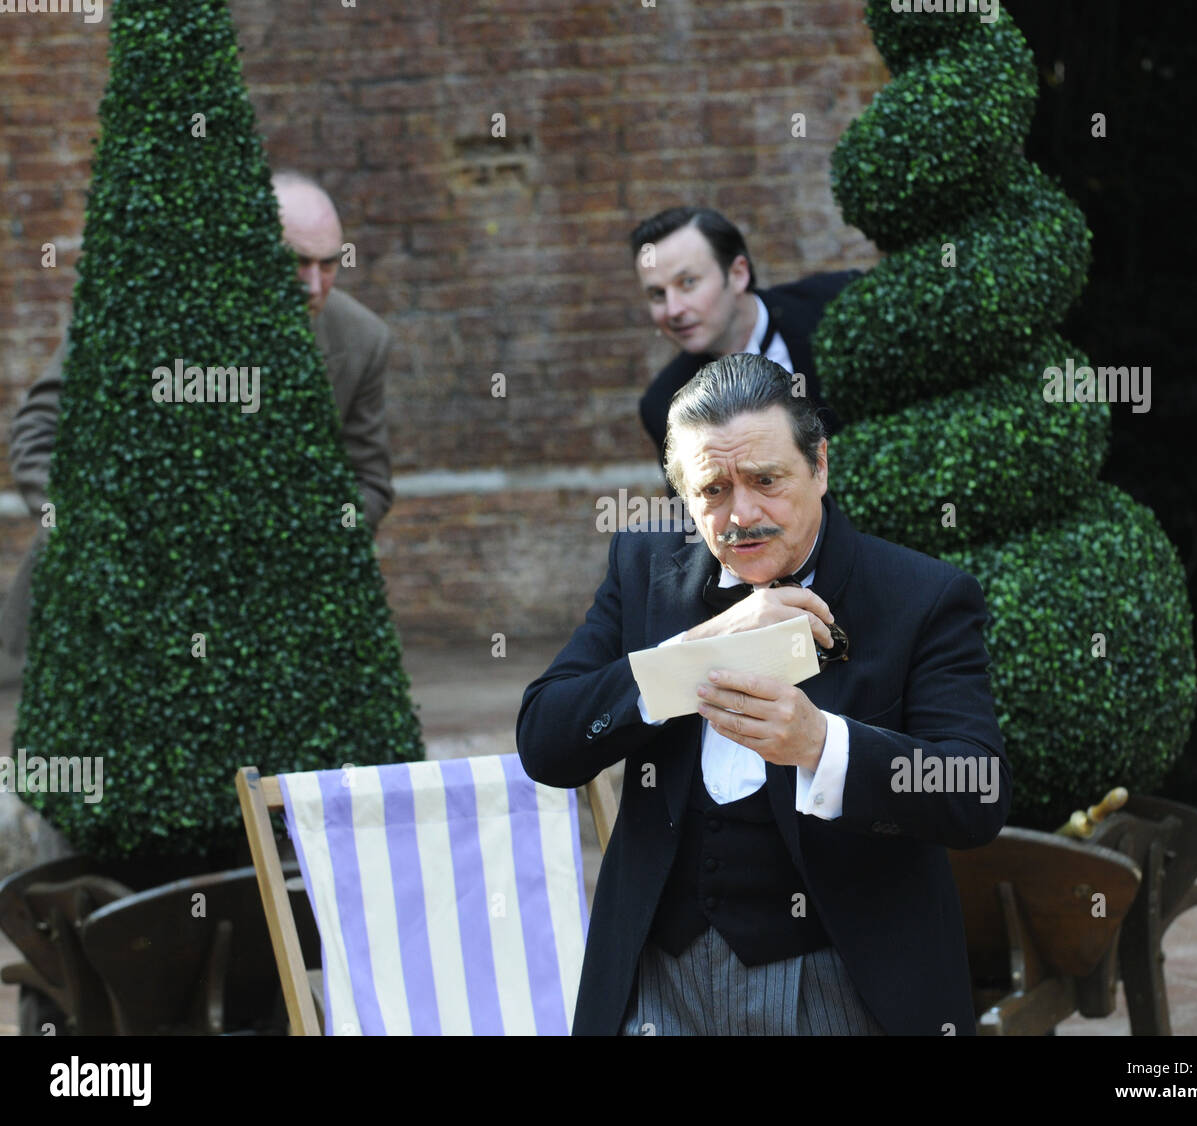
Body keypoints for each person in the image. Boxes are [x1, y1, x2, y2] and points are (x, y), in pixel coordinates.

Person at [517, 352, 1010, 1036]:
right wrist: (697, 652)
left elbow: (975, 792)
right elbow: (545, 741)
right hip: (657, 980)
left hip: (839, 980)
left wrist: (822, 745)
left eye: (766, 480)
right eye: (712, 490)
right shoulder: (643, 568)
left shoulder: (922, 596)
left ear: (820, 466)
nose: (742, 513)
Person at [0, 171, 394, 664]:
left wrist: (307, 539)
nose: (313, 284)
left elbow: (370, 484)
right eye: (295, 260)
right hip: (103, 623)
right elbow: (40, 433)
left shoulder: (361, 340)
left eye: (328, 263)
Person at [630, 206, 858, 466]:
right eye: (658, 294)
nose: (673, 310)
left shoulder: (836, 304)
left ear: (738, 274)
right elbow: (692, 505)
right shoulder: (663, 403)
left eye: (688, 282)